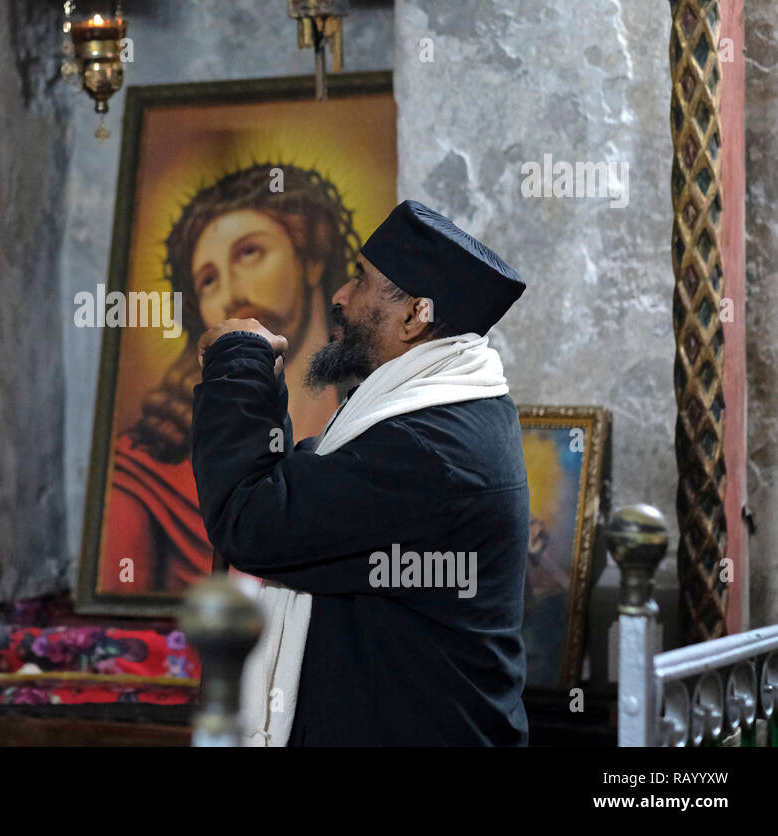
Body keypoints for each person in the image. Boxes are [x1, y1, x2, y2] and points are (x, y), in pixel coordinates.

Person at [191, 199, 530, 746]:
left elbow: (252, 520)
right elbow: (296, 488)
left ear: (414, 315)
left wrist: (238, 364)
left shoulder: (430, 449)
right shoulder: (444, 412)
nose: (341, 296)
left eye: (361, 280)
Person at [98, 163, 362, 594]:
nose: (231, 294)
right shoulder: (146, 473)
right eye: (207, 281)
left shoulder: (373, 439)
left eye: (249, 253)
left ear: (311, 260)